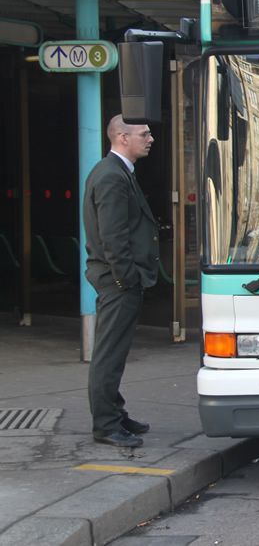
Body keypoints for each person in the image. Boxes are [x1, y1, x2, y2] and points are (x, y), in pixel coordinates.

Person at [83, 114, 159, 447]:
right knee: (109, 354)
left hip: (119, 278)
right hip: (118, 280)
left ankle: (114, 413)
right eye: (144, 134)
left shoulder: (117, 172)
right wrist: (127, 278)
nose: (151, 138)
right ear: (122, 138)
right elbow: (113, 235)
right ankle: (106, 425)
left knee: (114, 351)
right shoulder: (112, 175)